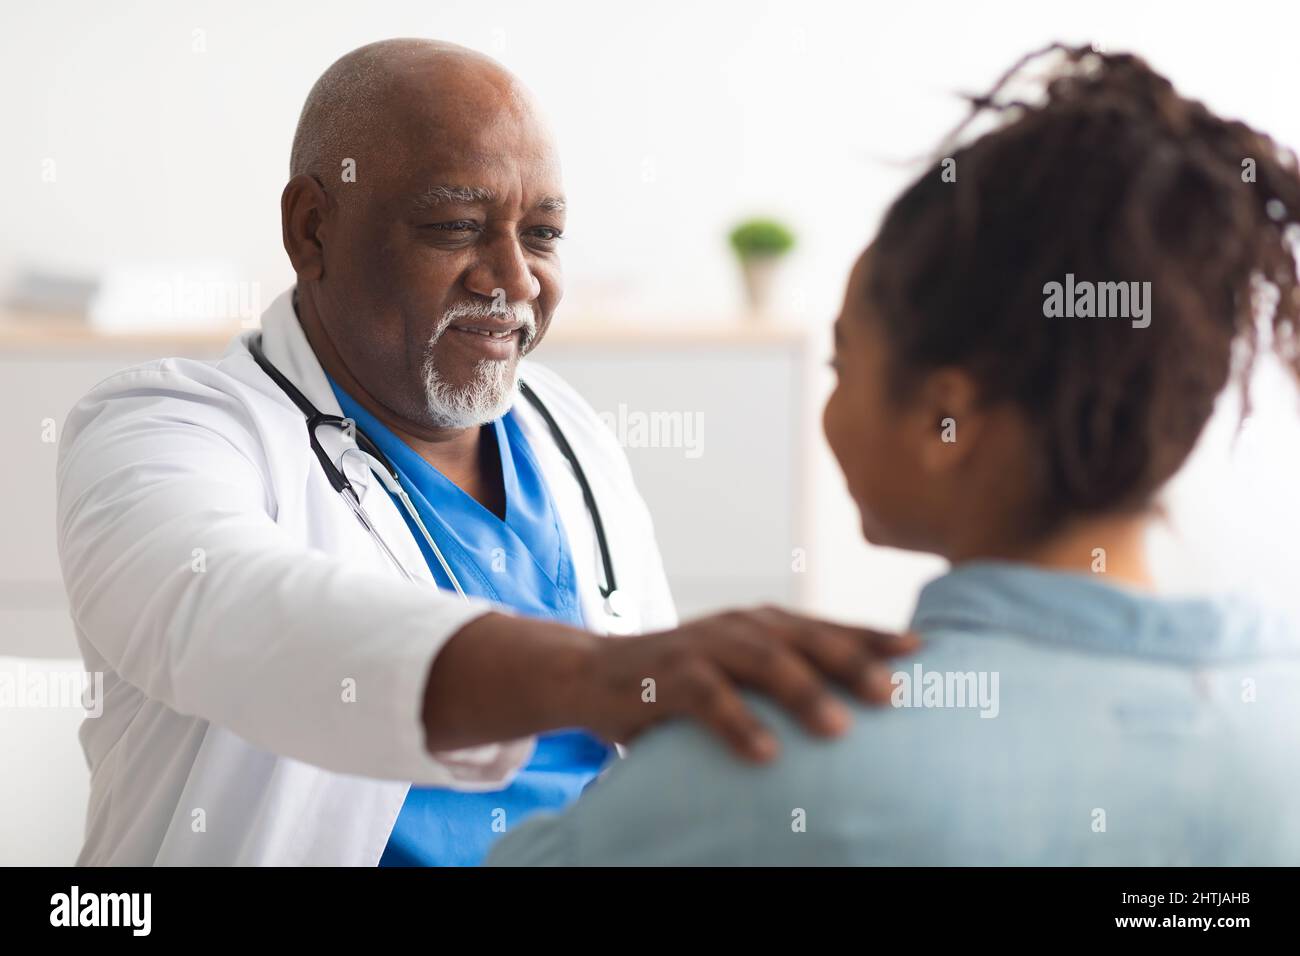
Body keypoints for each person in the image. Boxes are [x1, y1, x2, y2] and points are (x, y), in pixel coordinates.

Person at [54, 39, 909, 866]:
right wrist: (598, 675)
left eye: (541, 235)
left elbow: (653, 747)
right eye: (457, 225)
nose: (515, 279)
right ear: (312, 228)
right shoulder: (164, 429)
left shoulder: (565, 432)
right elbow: (239, 613)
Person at [487, 44, 1300, 866]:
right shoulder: (1275, 716)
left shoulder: (757, 763)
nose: (829, 408)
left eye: (842, 365)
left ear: (944, 416)